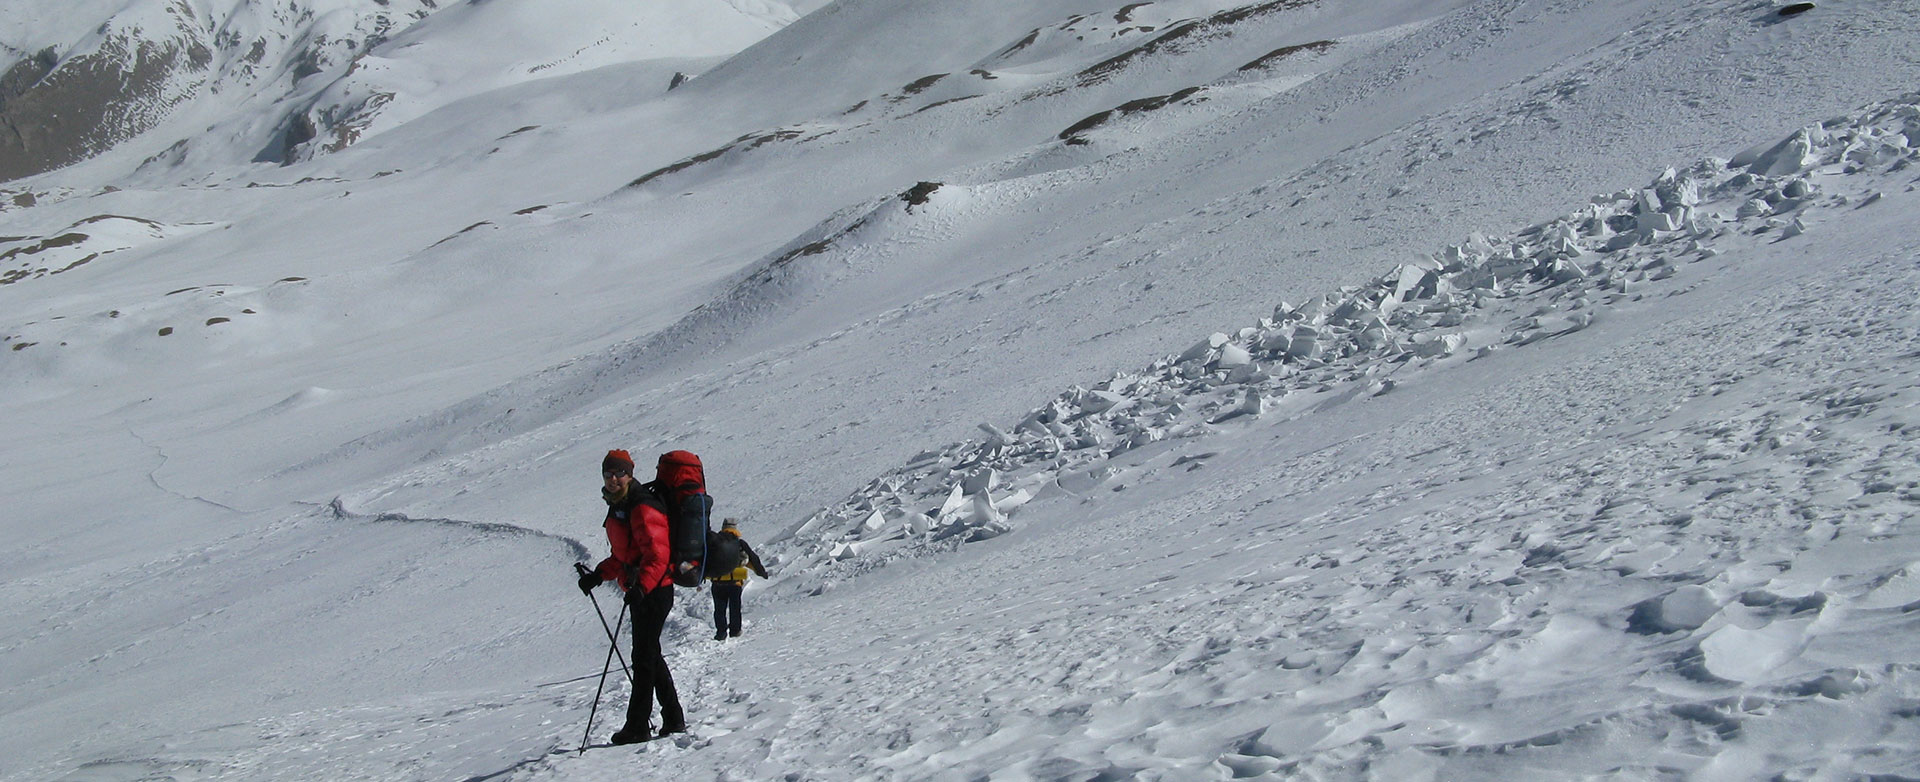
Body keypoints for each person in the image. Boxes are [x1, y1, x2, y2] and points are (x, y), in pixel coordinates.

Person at [576, 449, 687, 744]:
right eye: (608, 473)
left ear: (630, 474)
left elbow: (658, 555)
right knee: (649, 655)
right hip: (642, 590)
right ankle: (673, 718)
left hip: (654, 590)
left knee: (643, 658)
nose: (613, 479)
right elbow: (624, 556)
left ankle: (637, 726)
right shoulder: (620, 505)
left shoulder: (641, 506)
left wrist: (641, 587)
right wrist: (598, 575)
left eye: (619, 473)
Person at [707, 518, 770, 641]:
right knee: (735, 608)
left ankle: (721, 632)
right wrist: (761, 572)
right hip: (735, 582)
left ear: (723, 527)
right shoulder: (739, 544)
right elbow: (752, 559)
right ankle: (735, 631)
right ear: (735, 528)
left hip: (717, 582)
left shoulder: (715, 543)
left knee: (719, 609)